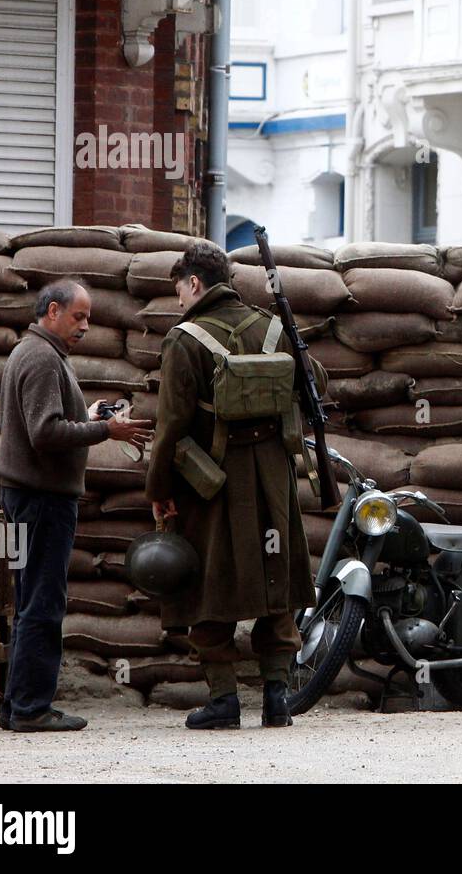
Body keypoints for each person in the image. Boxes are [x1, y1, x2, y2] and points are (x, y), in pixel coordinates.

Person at [146, 242, 327, 730]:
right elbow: (316, 386)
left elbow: (171, 427)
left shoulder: (183, 340)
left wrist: (158, 488)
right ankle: (277, 697)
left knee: (209, 582)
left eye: (179, 290)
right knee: (277, 581)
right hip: (273, 477)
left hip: (212, 483)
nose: (178, 301)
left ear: (195, 284)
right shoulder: (273, 328)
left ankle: (224, 698)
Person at [0, 279, 154, 732]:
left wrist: (88, 417)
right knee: (44, 603)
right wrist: (107, 432)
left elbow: (43, 424)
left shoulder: (33, 352)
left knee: (30, 601)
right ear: (51, 312)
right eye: (78, 316)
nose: (85, 325)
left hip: (27, 495)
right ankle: (30, 709)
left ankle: (17, 706)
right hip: (42, 499)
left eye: (88, 317)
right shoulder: (43, 358)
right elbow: (45, 434)